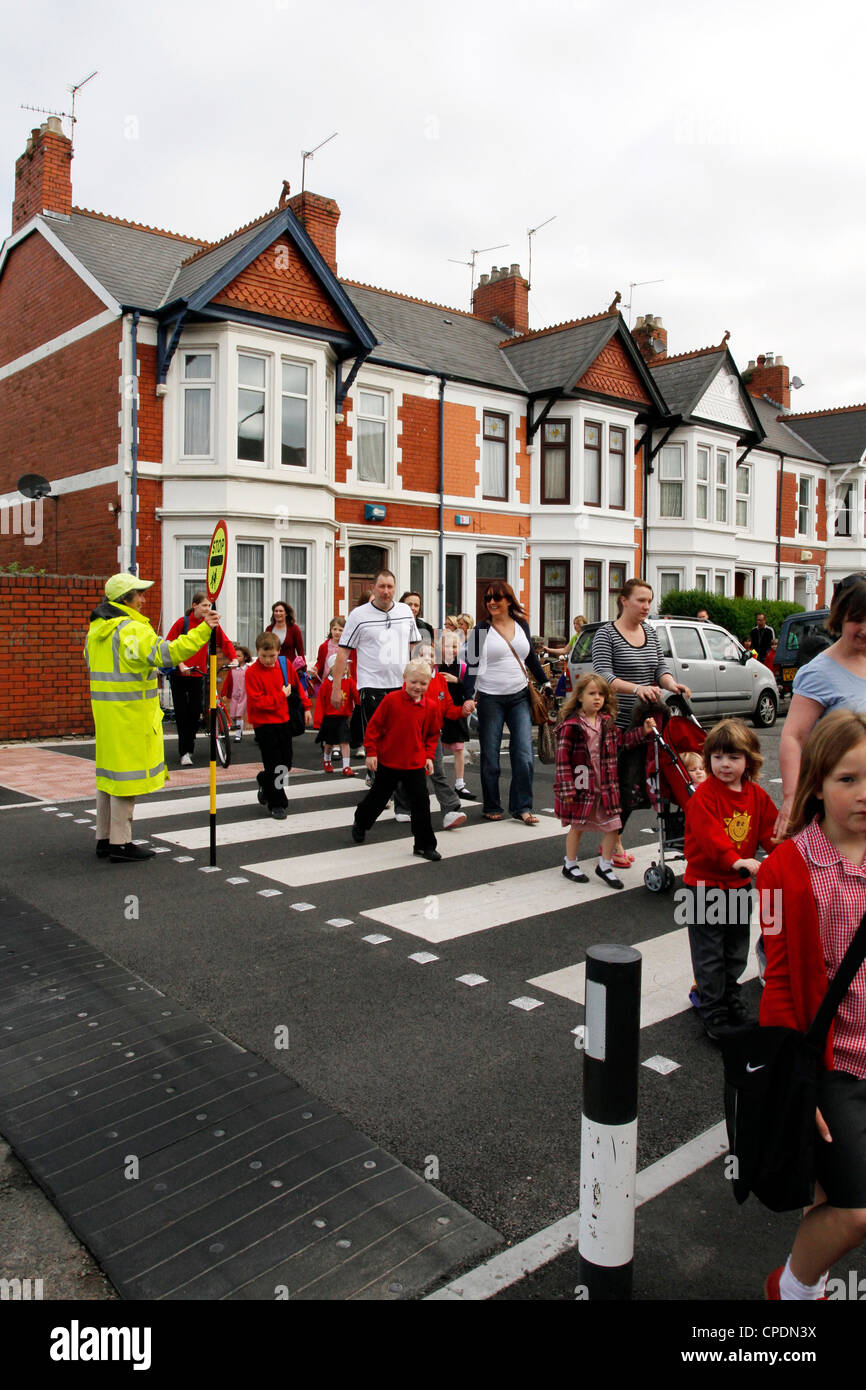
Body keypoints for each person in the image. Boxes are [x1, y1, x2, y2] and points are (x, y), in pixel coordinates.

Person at [758, 710, 866, 1301]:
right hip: (831, 1065)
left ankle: (810, 1282)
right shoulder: (781, 870)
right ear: (817, 783)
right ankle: (792, 1292)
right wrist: (789, 1086)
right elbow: (777, 983)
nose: (862, 795)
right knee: (856, 1213)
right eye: (847, 779)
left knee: (834, 1196)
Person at [85, 573, 220, 861]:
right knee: (126, 779)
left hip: (107, 714)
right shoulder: (131, 629)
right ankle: (121, 844)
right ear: (125, 600)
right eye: (139, 595)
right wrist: (203, 630)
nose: (144, 600)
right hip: (130, 714)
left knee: (108, 777)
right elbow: (168, 654)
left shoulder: (97, 631)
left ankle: (104, 838)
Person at [683, 719, 778, 1042]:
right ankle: (713, 1011)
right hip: (703, 887)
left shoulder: (757, 796)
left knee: (735, 949)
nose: (725, 764)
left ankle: (730, 997)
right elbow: (710, 837)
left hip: (737, 886)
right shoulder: (703, 797)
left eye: (734, 757)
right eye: (718, 757)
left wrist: (784, 857)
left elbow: (770, 832)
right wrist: (735, 859)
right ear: (708, 759)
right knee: (709, 952)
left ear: (749, 760)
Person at [592, 578, 691, 868]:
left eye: (649, 601)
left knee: (635, 785)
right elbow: (603, 676)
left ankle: (613, 838)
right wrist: (637, 688)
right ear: (624, 600)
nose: (646, 606)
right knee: (620, 785)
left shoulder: (649, 631)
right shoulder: (606, 635)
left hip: (644, 724)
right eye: (640, 600)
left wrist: (672, 684)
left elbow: (659, 667)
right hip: (615, 724)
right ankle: (614, 842)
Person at [777, 575, 866, 839]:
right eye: (857, 619)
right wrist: (792, 798)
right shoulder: (818, 673)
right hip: (841, 802)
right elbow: (794, 737)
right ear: (840, 617)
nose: (864, 629)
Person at [554, 674, 656, 890]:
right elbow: (562, 759)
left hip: (607, 786)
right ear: (579, 697)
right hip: (583, 787)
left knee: (613, 826)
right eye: (592, 694)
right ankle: (569, 863)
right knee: (578, 826)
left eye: (601, 694)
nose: (597, 698)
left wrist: (643, 732)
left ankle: (605, 864)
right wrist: (566, 787)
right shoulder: (571, 726)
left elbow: (622, 742)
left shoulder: (606, 723)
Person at [463, 580, 551, 825]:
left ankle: (522, 806)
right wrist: (468, 697)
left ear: (509, 600)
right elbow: (471, 666)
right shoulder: (481, 630)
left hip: (520, 696)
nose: (492, 602)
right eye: (488, 598)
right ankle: (492, 804)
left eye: (497, 598)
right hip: (491, 698)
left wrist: (545, 683)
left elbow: (531, 658)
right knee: (490, 755)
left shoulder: (521, 624)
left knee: (523, 754)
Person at [328, 571, 420, 771]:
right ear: (373, 588)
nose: (386, 591)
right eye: (382, 587)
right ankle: (377, 777)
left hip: (401, 684)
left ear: (394, 588)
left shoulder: (405, 611)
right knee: (377, 735)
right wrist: (336, 688)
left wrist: (423, 679)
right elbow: (343, 653)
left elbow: (415, 648)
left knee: (399, 735)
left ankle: (394, 779)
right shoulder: (358, 615)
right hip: (371, 685)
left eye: (389, 587)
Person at [351, 659, 442, 861]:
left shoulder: (431, 707)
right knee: (378, 797)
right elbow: (374, 727)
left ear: (429, 683)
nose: (418, 687)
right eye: (413, 682)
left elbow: (432, 735)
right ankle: (361, 820)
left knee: (421, 803)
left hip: (415, 763)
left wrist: (428, 756)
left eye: (423, 683)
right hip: (389, 761)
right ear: (404, 680)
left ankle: (424, 844)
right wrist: (371, 752)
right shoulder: (391, 700)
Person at [393, 642, 473, 831]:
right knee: (408, 771)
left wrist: (462, 711)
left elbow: (447, 708)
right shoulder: (410, 681)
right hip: (410, 734)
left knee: (437, 771)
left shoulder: (440, 681)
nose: (427, 659)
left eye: (431, 656)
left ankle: (450, 809)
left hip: (432, 734)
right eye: (423, 655)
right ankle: (403, 806)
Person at [245, 631, 312, 819]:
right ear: (257, 652)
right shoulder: (252, 672)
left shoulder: (284, 664)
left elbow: (298, 687)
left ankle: (265, 781)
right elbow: (258, 702)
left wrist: (306, 707)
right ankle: (277, 803)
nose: (267, 660)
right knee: (274, 763)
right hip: (264, 724)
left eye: (271, 656)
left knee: (286, 763)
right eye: (263, 656)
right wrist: (280, 696)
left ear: (278, 652)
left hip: (283, 720)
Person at [167, 593, 237, 766]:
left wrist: (234, 658)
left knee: (194, 713)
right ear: (195, 605)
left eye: (209, 606)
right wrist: (180, 664)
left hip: (198, 674)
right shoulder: (182, 623)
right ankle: (185, 752)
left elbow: (225, 642)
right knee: (182, 715)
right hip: (179, 675)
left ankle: (189, 745)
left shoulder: (211, 624)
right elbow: (168, 645)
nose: (207, 609)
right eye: (204, 606)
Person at [439, 627, 474, 799]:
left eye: (454, 646)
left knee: (458, 748)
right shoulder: (435, 665)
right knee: (433, 747)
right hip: (438, 712)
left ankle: (460, 784)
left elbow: (469, 689)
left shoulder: (462, 667)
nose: (451, 650)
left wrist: (456, 681)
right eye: (447, 646)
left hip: (457, 710)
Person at [313, 658, 359, 775]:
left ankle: (346, 766)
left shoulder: (349, 681)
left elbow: (356, 696)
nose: (345, 669)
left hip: (344, 718)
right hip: (329, 717)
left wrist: (361, 704)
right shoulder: (327, 684)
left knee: (345, 742)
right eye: (343, 666)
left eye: (346, 666)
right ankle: (327, 761)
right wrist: (318, 720)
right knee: (329, 743)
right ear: (333, 668)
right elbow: (320, 703)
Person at [220, 644, 252, 741]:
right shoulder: (232, 669)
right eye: (235, 656)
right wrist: (224, 693)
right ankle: (239, 728)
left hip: (244, 695)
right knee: (233, 715)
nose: (236, 658)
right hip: (234, 694)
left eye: (238, 656)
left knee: (239, 714)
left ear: (245, 657)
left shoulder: (248, 669)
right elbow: (227, 682)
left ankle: (238, 735)